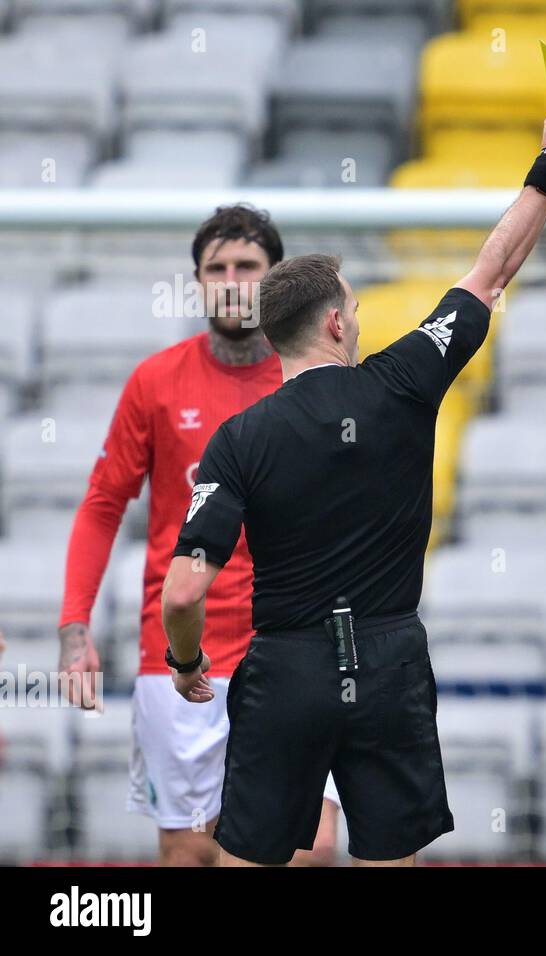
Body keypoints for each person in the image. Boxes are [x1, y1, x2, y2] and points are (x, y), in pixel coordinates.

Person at [159, 92, 546, 867]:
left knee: (248, 858)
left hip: (284, 665)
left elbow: (184, 591)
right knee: (390, 858)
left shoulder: (239, 438)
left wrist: (187, 666)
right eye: (353, 308)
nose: (355, 318)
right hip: (387, 660)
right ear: (333, 324)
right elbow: (492, 272)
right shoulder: (402, 382)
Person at [56, 205, 341, 866]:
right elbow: (103, 506)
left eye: (249, 267)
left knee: (312, 846)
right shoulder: (156, 383)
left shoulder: (317, 383)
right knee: (192, 849)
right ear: (198, 282)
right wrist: (75, 628)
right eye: (218, 269)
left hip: (296, 649)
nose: (233, 281)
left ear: (275, 282)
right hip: (181, 658)